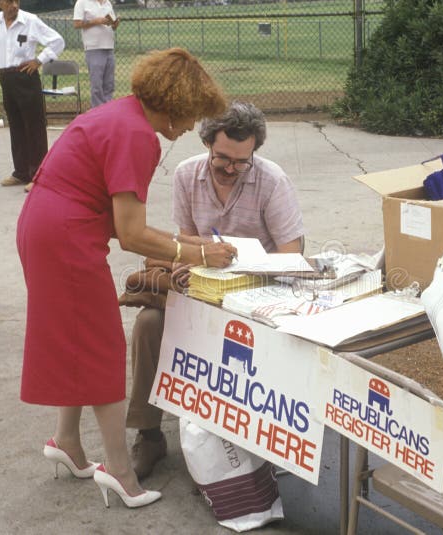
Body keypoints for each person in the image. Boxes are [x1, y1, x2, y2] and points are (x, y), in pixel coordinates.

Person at [16, 47, 235, 509]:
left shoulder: (120, 115)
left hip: (45, 226)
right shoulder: (140, 135)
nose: (191, 126)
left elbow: (126, 228)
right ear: (176, 104)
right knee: (102, 348)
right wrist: (193, 251)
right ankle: (120, 472)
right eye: (192, 114)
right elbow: (130, 234)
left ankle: (66, 442)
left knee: (77, 341)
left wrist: (198, 249)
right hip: (67, 240)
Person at [124, 101, 305, 479]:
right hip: (202, 288)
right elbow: (183, 241)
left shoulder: (272, 180)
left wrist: (241, 271)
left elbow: (292, 254)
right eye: (222, 158)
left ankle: (246, 444)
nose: (230, 169)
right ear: (207, 143)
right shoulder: (187, 174)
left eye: (242, 161)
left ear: (254, 152)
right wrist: (189, 264)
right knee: (148, 325)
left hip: (258, 296)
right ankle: (150, 433)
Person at [0, 0, 65, 192]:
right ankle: (21, 172)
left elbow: (57, 41)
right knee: (16, 125)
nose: (14, 5)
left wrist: (39, 60)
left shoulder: (30, 21)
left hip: (25, 77)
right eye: (9, 1)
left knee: (34, 127)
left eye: (16, 0)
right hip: (6, 78)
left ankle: (38, 176)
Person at [73, 0, 119, 108]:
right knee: (97, 85)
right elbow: (76, 24)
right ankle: (98, 112)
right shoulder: (82, 2)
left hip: (109, 46)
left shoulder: (107, 3)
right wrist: (96, 21)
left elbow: (112, 26)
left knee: (109, 84)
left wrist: (115, 24)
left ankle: (107, 110)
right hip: (94, 47)